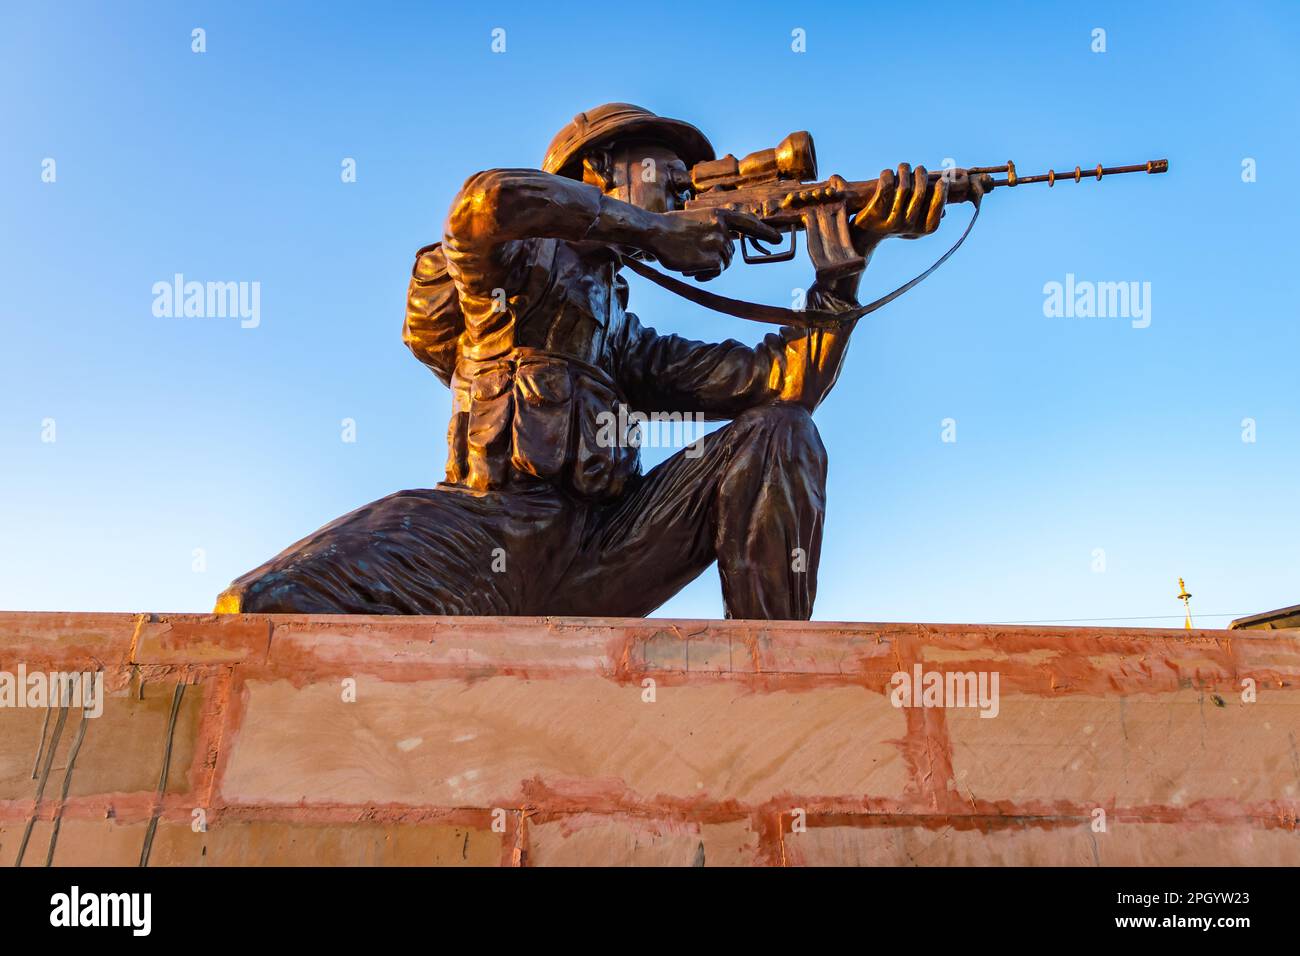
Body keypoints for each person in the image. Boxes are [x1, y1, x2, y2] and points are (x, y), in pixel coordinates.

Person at [215, 103, 946, 619]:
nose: (683, 189)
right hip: (489, 532)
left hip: (601, 554)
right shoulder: (508, 267)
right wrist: (653, 229)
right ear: (599, 172)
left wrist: (844, 273)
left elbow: (785, 384)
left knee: (779, 433)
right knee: (264, 605)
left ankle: (772, 689)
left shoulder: (623, 340)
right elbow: (481, 205)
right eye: (667, 174)